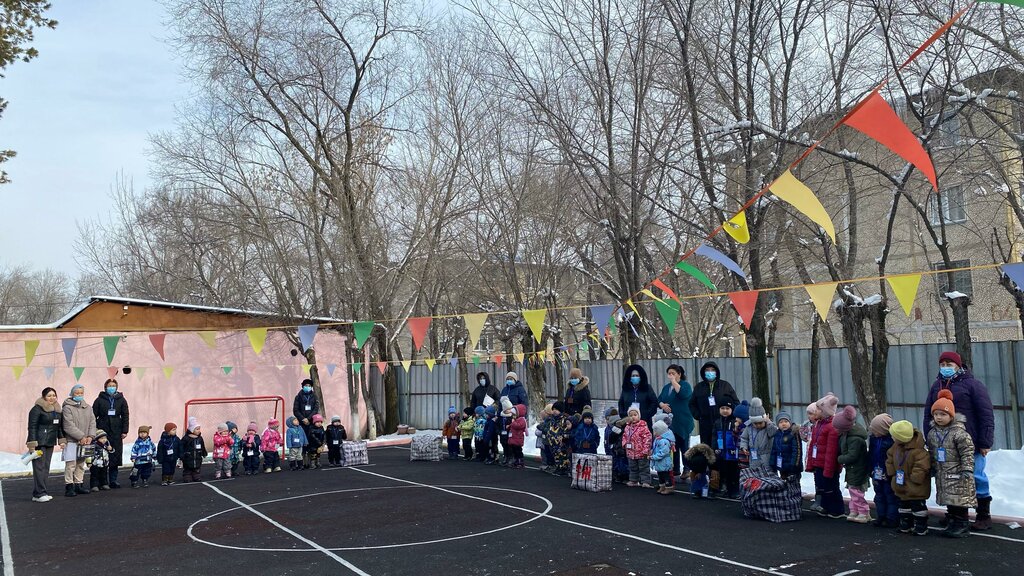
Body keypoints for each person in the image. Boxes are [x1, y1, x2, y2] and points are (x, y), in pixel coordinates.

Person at [922, 351, 995, 530]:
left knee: (975, 476)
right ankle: (954, 513)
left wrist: (986, 441)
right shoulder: (936, 386)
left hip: (969, 441)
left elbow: (985, 414)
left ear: (958, 365)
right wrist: (929, 437)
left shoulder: (972, 385)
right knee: (949, 477)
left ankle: (983, 514)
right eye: (943, 364)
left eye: (949, 364)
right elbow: (927, 414)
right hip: (944, 443)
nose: (946, 367)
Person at [926, 390, 977, 538]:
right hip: (943, 472)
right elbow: (931, 452)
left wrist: (967, 469)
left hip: (958, 472)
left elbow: (967, 452)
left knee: (959, 499)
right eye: (936, 414)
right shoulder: (932, 433)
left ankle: (962, 524)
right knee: (950, 498)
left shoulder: (959, 433)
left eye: (943, 414)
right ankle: (953, 521)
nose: (939, 418)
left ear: (951, 416)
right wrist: (932, 467)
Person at [887, 420, 931, 536]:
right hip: (900, 482)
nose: (892, 438)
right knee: (903, 505)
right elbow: (890, 458)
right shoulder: (895, 447)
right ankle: (906, 523)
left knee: (918, 506)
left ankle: (921, 526)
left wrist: (916, 477)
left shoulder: (918, 451)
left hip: (915, 485)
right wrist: (891, 471)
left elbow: (922, 465)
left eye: (894, 436)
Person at [806, 393, 843, 518]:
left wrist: (828, 469)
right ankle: (826, 506)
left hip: (828, 465)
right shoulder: (819, 424)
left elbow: (831, 451)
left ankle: (837, 509)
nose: (817, 411)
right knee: (824, 487)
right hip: (819, 463)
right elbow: (813, 445)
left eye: (819, 409)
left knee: (832, 486)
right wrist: (812, 462)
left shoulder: (832, 427)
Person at [689, 361, 740, 448]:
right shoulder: (699, 387)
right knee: (706, 449)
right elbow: (692, 404)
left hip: (723, 423)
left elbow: (735, 402)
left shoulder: (725, 386)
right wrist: (698, 415)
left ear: (717, 372)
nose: (710, 372)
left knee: (722, 447)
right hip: (705, 424)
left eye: (712, 370)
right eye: (707, 370)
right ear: (703, 372)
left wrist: (730, 416)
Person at [26, 387, 64, 502]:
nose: (52, 398)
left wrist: (61, 440)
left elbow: (59, 427)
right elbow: (32, 427)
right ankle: (39, 493)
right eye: (49, 395)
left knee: (45, 467)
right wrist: (32, 443)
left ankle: (40, 492)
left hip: (49, 442)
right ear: (44, 397)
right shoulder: (37, 409)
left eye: (54, 395)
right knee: (39, 468)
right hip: (39, 443)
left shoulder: (57, 410)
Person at [833, 406, 870, 523]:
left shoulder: (855, 440)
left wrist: (840, 458)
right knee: (852, 489)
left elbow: (852, 456)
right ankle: (854, 510)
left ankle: (864, 512)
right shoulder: (846, 436)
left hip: (857, 469)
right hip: (852, 469)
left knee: (856, 491)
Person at [93, 378, 130, 489]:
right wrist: (94, 430)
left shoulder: (121, 400)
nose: (111, 387)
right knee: (101, 456)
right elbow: (93, 415)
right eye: (109, 385)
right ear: (105, 387)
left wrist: (124, 430)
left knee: (115, 455)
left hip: (117, 430)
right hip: (102, 430)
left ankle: (113, 480)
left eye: (113, 385)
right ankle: (101, 481)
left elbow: (125, 415)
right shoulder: (99, 400)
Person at [658, 364, 694, 479]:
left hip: (683, 420)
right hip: (670, 422)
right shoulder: (666, 387)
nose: (671, 376)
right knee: (673, 445)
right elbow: (659, 399)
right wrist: (662, 405)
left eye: (673, 373)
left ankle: (687, 468)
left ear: (679, 374)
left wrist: (674, 382)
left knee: (684, 446)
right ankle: (676, 468)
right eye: (669, 373)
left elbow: (683, 394)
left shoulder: (685, 385)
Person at [62, 384, 97, 498]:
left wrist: (90, 436)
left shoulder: (88, 407)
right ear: (72, 394)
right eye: (77, 393)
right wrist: (81, 437)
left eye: (81, 393)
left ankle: (79, 484)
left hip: (86, 441)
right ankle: (69, 486)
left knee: (81, 463)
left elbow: (92, 422)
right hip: (72, 440)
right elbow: (68, 425)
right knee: (70, 464)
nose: (79, 395)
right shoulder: (67, 407)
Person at [868, 413, 898, 528]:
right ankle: (881, 515)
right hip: (876, 472)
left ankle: (892, 517)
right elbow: (870, 455)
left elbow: (893, 459)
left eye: (876, 430)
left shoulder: (892, 441)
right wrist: (870, 469)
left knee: (890, 495)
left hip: (887, 473)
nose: (874, 432)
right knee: (879, 495)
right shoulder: (873, 439)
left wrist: (889, 472)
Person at [711, 401, 740, 498]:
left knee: (733, 471)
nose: (725, 411)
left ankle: (734, 490)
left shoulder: (734, 422)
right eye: (722, 408)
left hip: (732, 452)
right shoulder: (717, 422)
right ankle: (724, 488)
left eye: (727, 408)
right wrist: (714, 447)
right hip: (721, 451)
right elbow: (714, 436)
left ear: (732, 410)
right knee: (723, 470)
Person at [739, 398, 776, 470]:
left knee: (768, 476)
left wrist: (769, 422)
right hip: (754, 458)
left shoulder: (769, 426)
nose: (758, 425)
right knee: (755, 476)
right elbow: (744, 438)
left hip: (767, 458)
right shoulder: (749, 428)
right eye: (755, 423)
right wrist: (744, 447)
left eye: (760, 423)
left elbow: (773, 433)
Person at [623, 406, 653, 488]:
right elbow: (624, 437)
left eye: (635, 415)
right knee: (633, 467)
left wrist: (646, 449)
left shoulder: (643, 427)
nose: (633, 417)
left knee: (644, 467)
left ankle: (645, 481)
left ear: (639, 416)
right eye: (631, 415)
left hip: (641, 452)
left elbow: (648, 438)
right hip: (631, 451)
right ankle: (634, 480)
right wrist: (625, 444)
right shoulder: (627, 427)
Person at [542, 402, 574, 476]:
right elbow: (550, 428)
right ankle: (558, 467)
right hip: (553, 441)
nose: (555, 411)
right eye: (553, 409)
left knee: (562, 455)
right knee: (555, 454)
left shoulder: (564, 420)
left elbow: (566, 430)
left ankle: (564, 468)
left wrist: (563, 437)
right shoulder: (552, 419)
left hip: (561, 442)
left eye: (557, 409)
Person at [770, 411, 802, 479]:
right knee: (784, 484)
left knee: (793, 485)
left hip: (792, 467)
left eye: (786, 421)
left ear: (790, 422)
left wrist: (794, 465)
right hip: (782, 466)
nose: (783, 424)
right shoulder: (777, 434)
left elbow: (797, 450)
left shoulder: (793, 433)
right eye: (781, 422)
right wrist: (772, 462)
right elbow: (774, 449)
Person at [603, 407, 629, 484]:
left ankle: (623, 475)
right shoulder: (608, 427)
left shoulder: (618, 426)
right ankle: (617, 474)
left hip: (618, 449)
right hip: (611, 448)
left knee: (620, 462)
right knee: (615, 462)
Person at [181, 418, 207, 483]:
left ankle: (196, 476)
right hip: (188, 456)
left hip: (197, 456)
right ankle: (187, 476)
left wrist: (204, 452)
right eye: (197, 429)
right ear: (192, 430)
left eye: (199, 429)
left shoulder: (200, 438)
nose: (199, 431)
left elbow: (202, 446)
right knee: (187, 468)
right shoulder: (186, 438)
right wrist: (182, 454)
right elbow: (182, 446)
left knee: (197, 467)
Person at [651, 419, 674, 495]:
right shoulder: (657, 440)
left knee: (666, 475)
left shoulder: (664, 441)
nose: (654, 433)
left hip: (664, 462)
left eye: (655, 431)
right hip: (660, 463)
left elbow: (663, 453)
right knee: (660, 475)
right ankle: (662, 486)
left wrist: (653, 457)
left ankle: (669, 487)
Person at [508, 404, 528, 469]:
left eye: (514, 414)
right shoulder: (516, 419)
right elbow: (513, 425)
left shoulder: (522, 420)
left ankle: (520, 461)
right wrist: (509, 425)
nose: (513, 416)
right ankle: (516, 460)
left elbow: (518, 426)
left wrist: (513, 422)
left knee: (518, 450)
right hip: (514, 438)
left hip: (518, 438)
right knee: (514, 450)